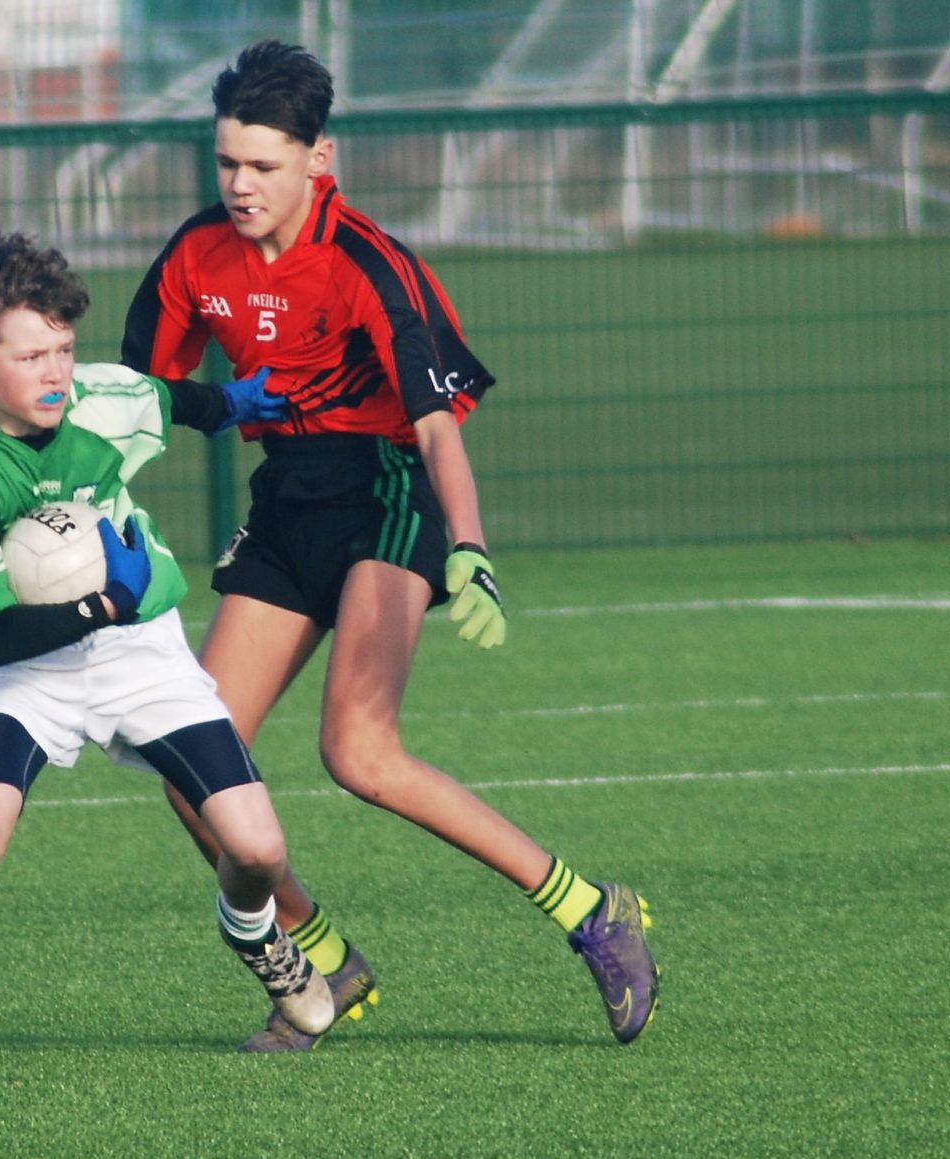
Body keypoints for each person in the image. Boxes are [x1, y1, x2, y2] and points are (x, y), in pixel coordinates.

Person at [119, 40, 659, 1049]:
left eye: (263, 166)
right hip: (288, 502)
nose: (239, 185)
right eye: (227, 162)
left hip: (385, 494)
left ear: (319, 159)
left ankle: (594, 914)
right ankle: (321, 955)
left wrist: (471, 547)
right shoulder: (197, 255)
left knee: (357, 751)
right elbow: (130, 396)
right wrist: (168, 441)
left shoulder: (368, 262)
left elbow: (437, 426)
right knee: (192, 768)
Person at [0, 232, 334, 1081]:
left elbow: (169, 400)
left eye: (64, 349)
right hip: (27, 669)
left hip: (141, 654)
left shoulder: (100, 397)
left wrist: (239, 401)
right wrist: (104, 597)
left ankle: (256, 936)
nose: (55, 372)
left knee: (259, 848)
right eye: (30, 354)